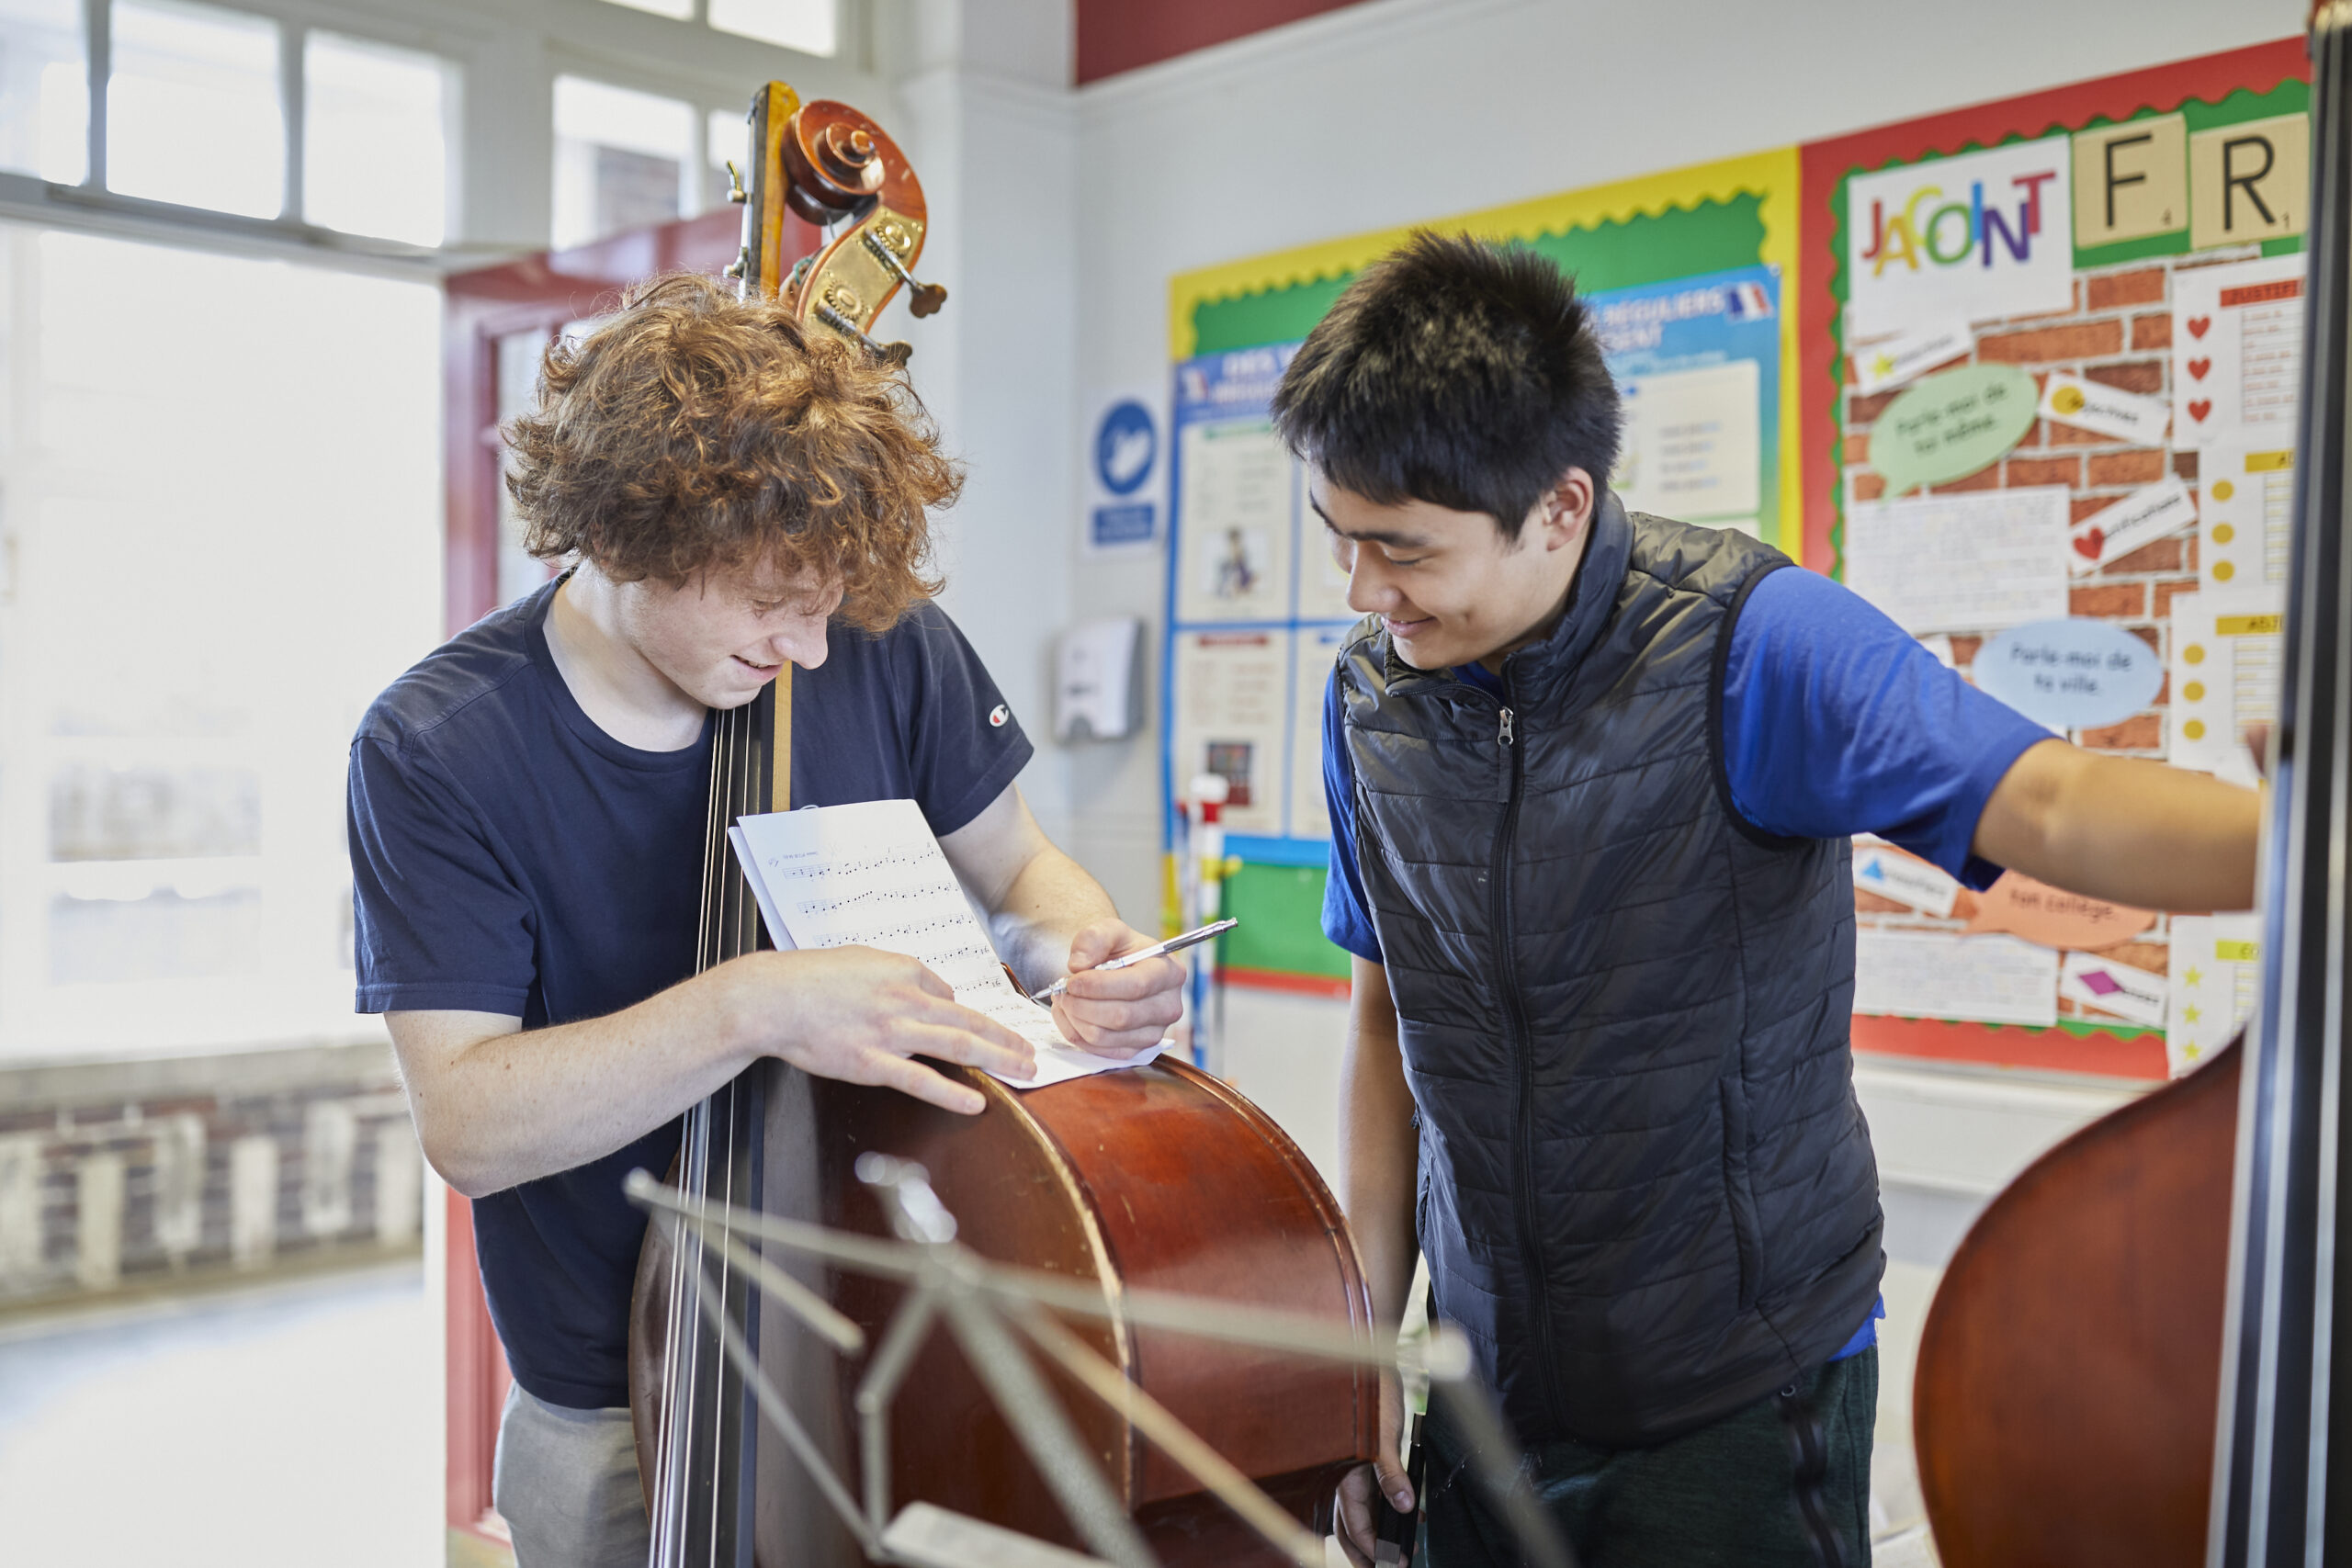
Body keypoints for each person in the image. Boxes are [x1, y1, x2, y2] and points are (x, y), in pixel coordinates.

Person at [1280, 233, 2261, 1568]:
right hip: (1480, 1390)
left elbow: (2048, 801)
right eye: (1339, 541)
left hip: (1735, 1405)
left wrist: (2298, 846)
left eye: (1401, 550)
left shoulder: (1751, 641)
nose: (1362, 592)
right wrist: (1357, 1360)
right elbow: (1385, 1023)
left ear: (1559, 507)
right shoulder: (1370, 698)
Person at [347, 273, 1182, 1568]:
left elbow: (1022, 871)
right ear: (624, 534)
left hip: (897, 1344)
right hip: (615, 1402)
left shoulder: (882, 636)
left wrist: (1078, 950)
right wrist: (755, 1003)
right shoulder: (438, 748)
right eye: (767, 600)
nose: (810, 647)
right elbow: (469, 1124)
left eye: (827, 600)